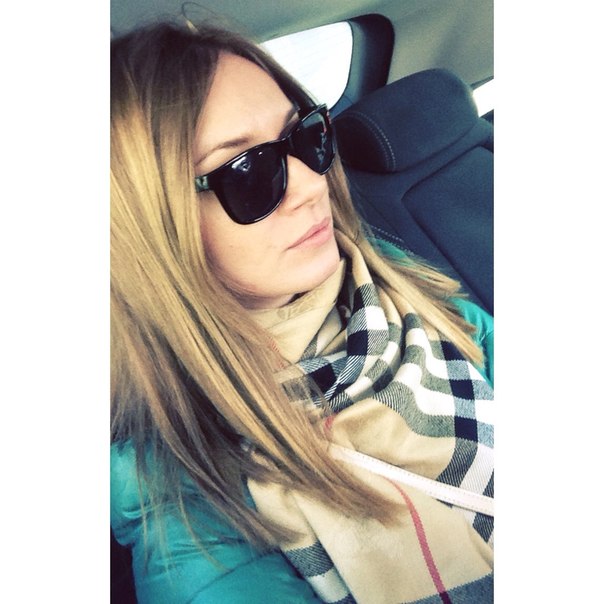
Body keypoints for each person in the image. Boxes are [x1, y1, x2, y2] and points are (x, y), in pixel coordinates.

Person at [110, 20, 494, 604]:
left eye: (306, 136)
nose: (313, 184)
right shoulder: (189, 513)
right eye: (247, 171)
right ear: (152, 232)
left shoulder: (385, 279)